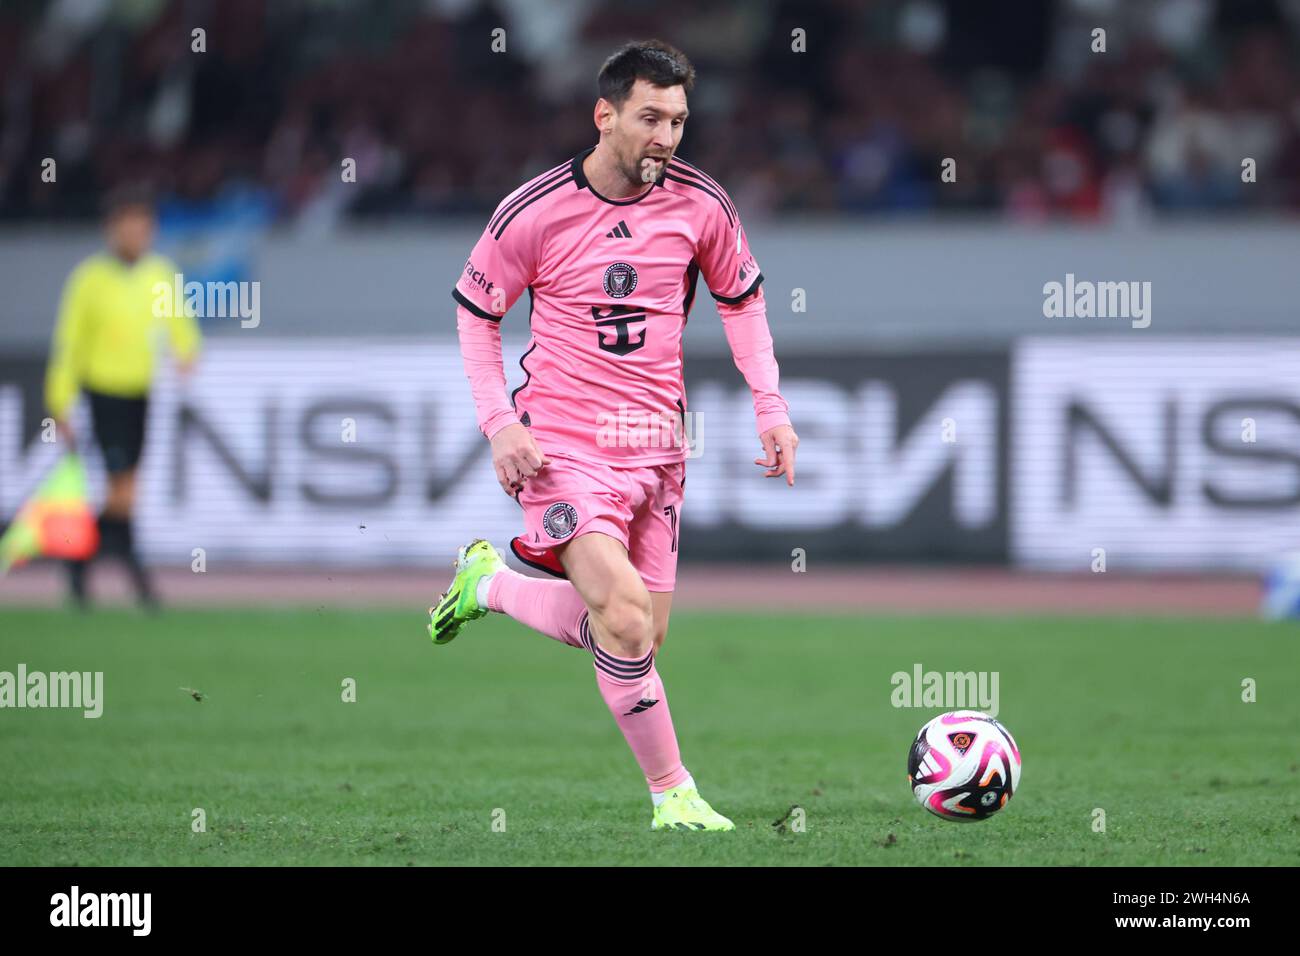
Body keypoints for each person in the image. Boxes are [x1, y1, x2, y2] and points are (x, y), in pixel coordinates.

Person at [431, 40, 797, 831]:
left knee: (636, 635)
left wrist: (770, 405)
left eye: (679, 121)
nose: (667, 136)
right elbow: (475, 313)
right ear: (605, 116)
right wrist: (500, 424)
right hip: (562, 447)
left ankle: (487, 585)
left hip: (658, 447)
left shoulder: (704, 206)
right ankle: (675, 795)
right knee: (624, 617)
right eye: (651, 117)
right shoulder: (533, 211)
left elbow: (743, 301)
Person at [44, 186, 202, 609]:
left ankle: (81, 563)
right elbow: (69, 343)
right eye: (129, 226)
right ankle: (135, 575)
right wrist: (59, 400)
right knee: (123, 491)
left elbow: (179, 322)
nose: (137, 234)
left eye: (143, 226)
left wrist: (187, 352)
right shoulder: (89, 279)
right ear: (112, 229)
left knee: (128, 488)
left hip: (140, 392)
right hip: (104, 392)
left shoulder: (159, 274)